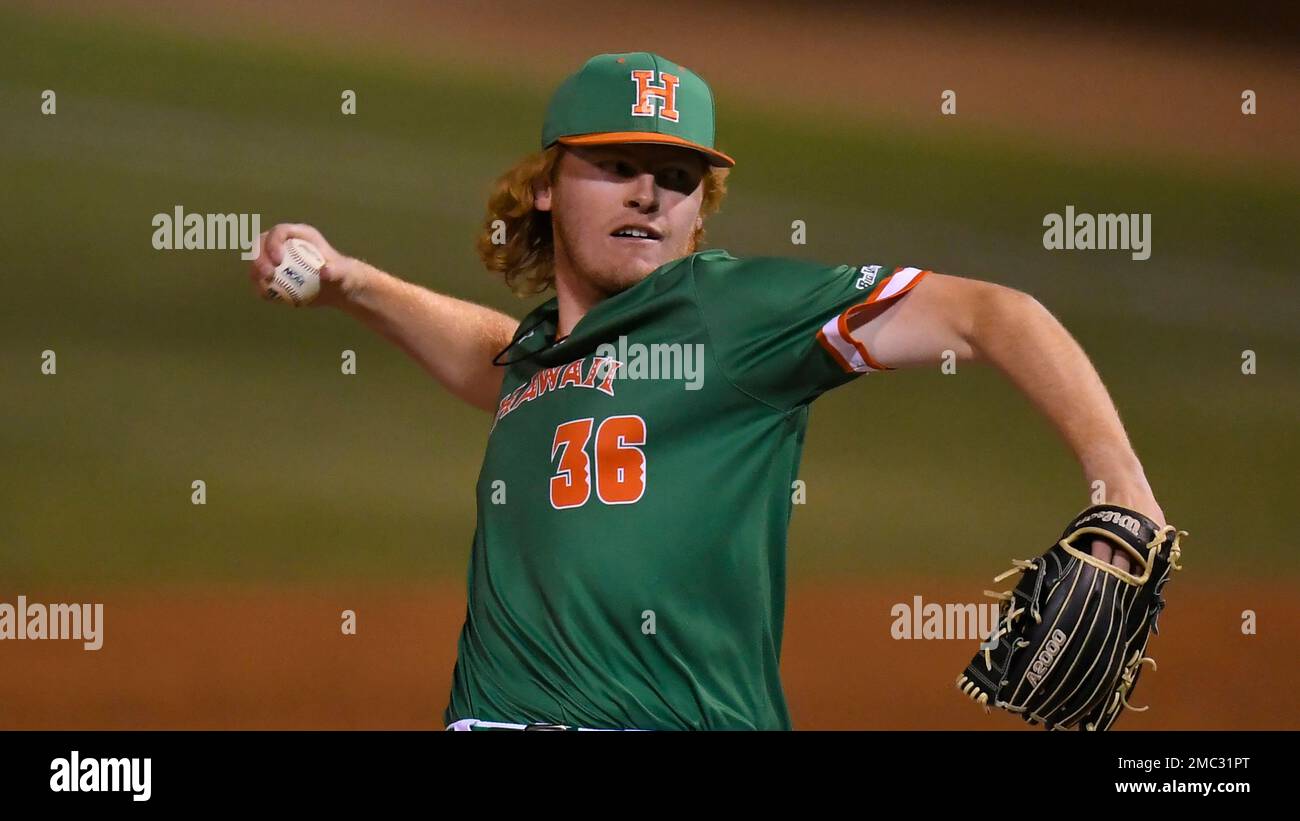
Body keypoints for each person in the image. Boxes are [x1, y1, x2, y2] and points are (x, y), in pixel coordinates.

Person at [247, 52, 1165, 730]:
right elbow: (495, 359)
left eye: (678, 178)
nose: (650, 194)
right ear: (542, 187)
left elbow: (993, 314)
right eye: (617, 168)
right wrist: (350, 281)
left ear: (700, 208)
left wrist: (1119, 485)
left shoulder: (733, 312)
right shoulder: (543, 357)